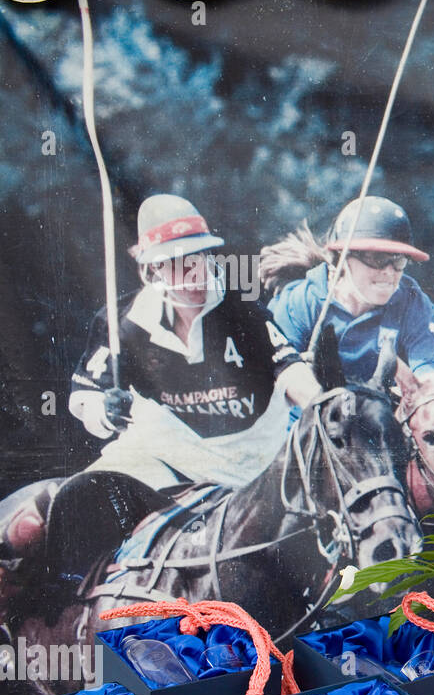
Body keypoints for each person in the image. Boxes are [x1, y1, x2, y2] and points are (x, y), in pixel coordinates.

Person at [49, 193, 323, 578]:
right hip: (166, 458)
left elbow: (290, 369)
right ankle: (76, 602)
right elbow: (83, 399)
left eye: (197, 259)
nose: (191, 273)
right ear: (152, 270)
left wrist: (321, 404)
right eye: (174, 265)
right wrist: (104, 412)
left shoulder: (242, 311)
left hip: (251, 465)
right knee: (79, 495)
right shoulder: (123, 322)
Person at [261, 196, 434, 388]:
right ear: (342, 259)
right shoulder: (300, 302)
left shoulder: (412, 301)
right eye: (377, 258)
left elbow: (431, 372)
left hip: (381, 413)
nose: (388, 271)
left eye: (398, 260)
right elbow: (276, 374)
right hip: (309, 410)